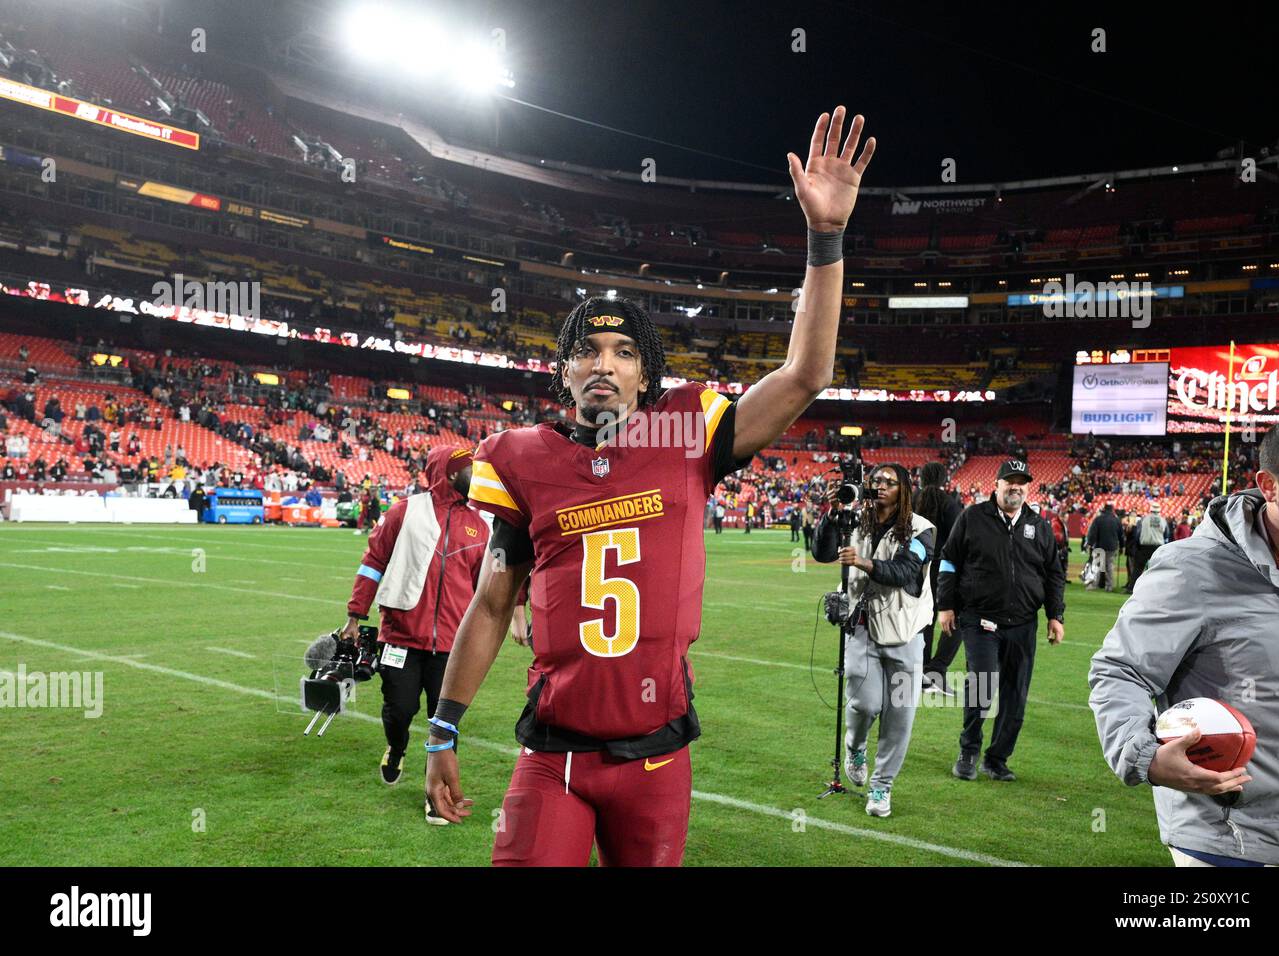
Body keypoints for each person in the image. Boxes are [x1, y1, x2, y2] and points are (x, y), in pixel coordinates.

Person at [424, 106, 875, 866]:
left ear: (646, 371)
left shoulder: (685, 431)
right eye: (588, 351)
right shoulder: (520, 456)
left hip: (658, 755)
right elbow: (494, 599)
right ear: (565, 369)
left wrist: (824, 238)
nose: (605, 364)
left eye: (624, 351)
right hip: (553, 753)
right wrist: (443, 730)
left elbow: (806, 375)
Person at [1089, 416, 1279, 866]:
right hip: (1235, 836)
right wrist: (1144, 755)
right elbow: (1119, 671)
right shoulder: (1194, 569)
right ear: (1269, 485)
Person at [343, 447, 488, 824]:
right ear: (450, 473)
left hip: (454, 644)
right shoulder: (404, 511)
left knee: (445, 722)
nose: (475, 471)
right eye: (468, 467)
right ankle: (396, 746)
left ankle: (434, 794)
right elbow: (373, 563)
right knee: (399, 709)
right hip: (402, 636)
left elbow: (484, 588)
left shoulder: (479, 525)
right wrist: (355, 614)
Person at [812, 464, 935, 817]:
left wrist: (864, 563)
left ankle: (882, 788)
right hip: (862, 627)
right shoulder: (855, 519)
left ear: (904, 490)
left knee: (899, 717)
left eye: (889, 482)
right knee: (864, 704)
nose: (880, 486)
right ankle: (855, 747)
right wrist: (833, 515)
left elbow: (904, 572)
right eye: (876, 480)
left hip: (905, 633)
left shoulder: (922, 529)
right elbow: (822, 553)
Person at [936, 459, 1066, 782]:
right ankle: (968, 750)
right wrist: (945, 605)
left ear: (1027, 488)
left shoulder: (1040, 525)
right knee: (982, 684)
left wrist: (1055, 615)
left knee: (1015, 694)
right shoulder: (972, 518)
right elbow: (949, 561)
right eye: (1010, 481)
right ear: (996, 485)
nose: (1015, 487)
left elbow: (1053, 573)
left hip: (1023, 623)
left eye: (1022, 482)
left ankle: (997, 759)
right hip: (980, 618)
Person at [914, 461, 962, 696]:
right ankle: (936, 671)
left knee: (923, 621)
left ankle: (921, 673)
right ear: (944, 479)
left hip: (913, 568)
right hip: (943, 570)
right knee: (955, 619)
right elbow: (959, 541)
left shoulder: (912, 500)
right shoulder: (950, 503)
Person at [1085, 501, 1122, 592]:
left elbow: (1093, 533)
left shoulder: (1098, 519)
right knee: (1109, 566)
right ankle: (1109, 586)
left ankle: (1094, 584)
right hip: (1112, 546)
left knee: (1097, 565)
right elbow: (1121, 535)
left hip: (1099, 545)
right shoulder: (1116, 520)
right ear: (1112, 510)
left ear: (1104, 509)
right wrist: (1122, 546)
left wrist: (1089, 543)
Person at [1130, 501, 1167, 589]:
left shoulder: (1143, 519)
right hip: (1158, 547)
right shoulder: (1163, 520)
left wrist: (1137, 545)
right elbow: (1166, 535)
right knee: (1157, 569)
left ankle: (1132, 588)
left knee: (1138, 568)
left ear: (1150, 510)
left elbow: (1138, 534)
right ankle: (1156, 588)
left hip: (1144, 546)